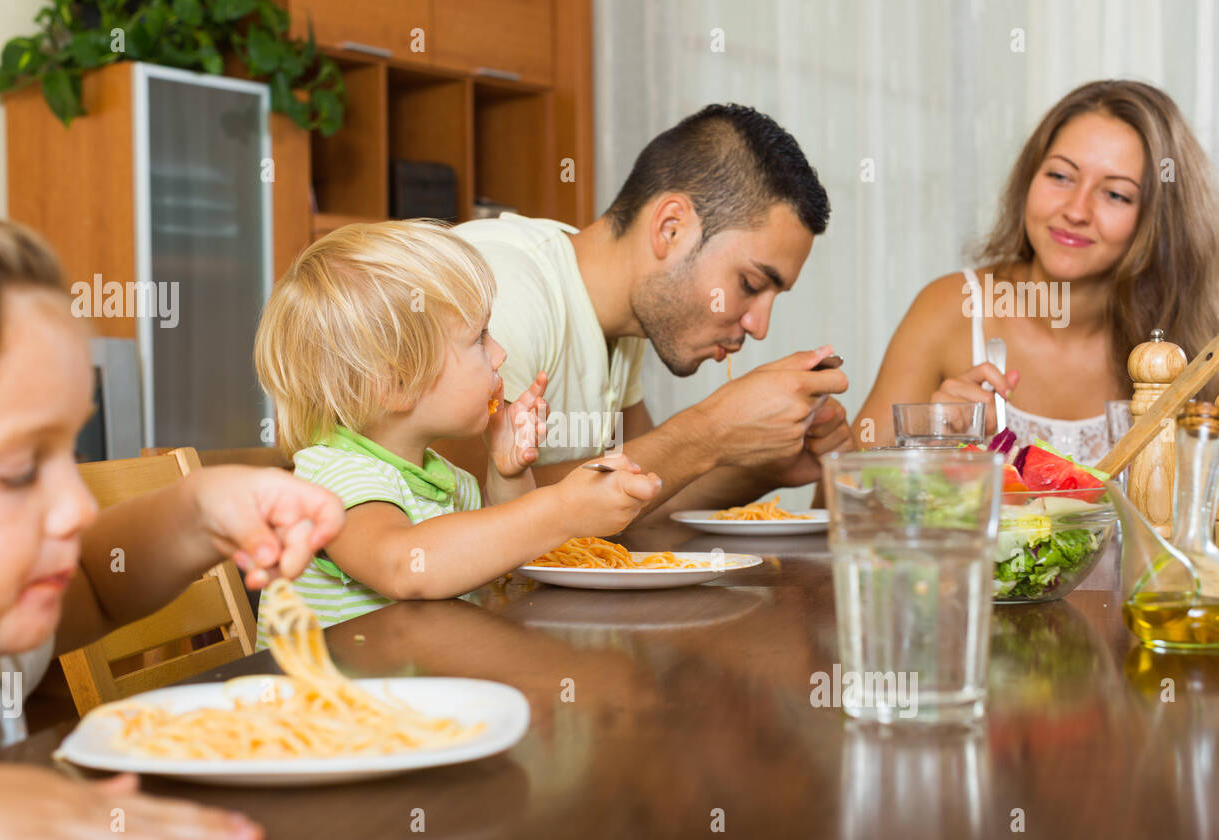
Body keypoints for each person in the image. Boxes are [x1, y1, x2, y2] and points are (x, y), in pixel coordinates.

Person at [0, 205, 346, 840]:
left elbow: (96, 583)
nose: (77, 506)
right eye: (18, 470)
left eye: (71, 453)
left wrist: (197, 510)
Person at [431, 103, 852, 517]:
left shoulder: (624, 318)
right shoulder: (503, 285)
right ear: (671, 228)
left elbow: (637, 501)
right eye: (751, 284)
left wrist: (763, 469)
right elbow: (461, 508)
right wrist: (709, 429)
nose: (758, 326)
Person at [253, 220, 661, 634]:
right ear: (397, 384)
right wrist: (562, 510)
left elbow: (500, 558)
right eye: (480, 337)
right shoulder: (334, 480)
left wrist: (509, 473)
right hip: (326, 694)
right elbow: (404, 565)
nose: (500, 354)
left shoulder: (444, 479)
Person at [856, 79, 1219, 459]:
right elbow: (838, 498)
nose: (1076, 211)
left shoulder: (1188, 344)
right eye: (1060, 176)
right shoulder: (950, 306)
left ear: (1159, 220)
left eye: (1115, 194)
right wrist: (931, 445)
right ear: (1029, 177)